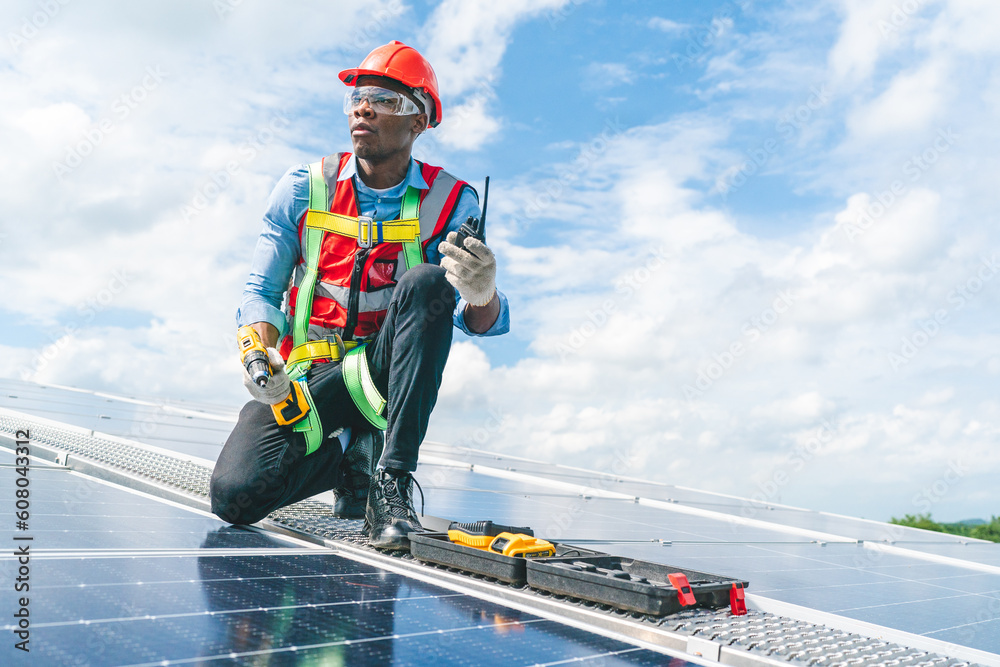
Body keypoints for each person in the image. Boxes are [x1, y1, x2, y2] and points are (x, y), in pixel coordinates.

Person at [209, 41, 509, 550]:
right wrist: (258, 353)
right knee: (234, 497)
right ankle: (350, 461)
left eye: (385, 99)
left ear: (419, 123)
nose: (364, 107)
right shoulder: (302, 187)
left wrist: (482, 292)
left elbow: (476, 320)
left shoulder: (451, 202)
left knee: (429, 281)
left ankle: (390, 483)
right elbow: (261, 290)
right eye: (359, 97)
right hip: (303, 378)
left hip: (378, 377)